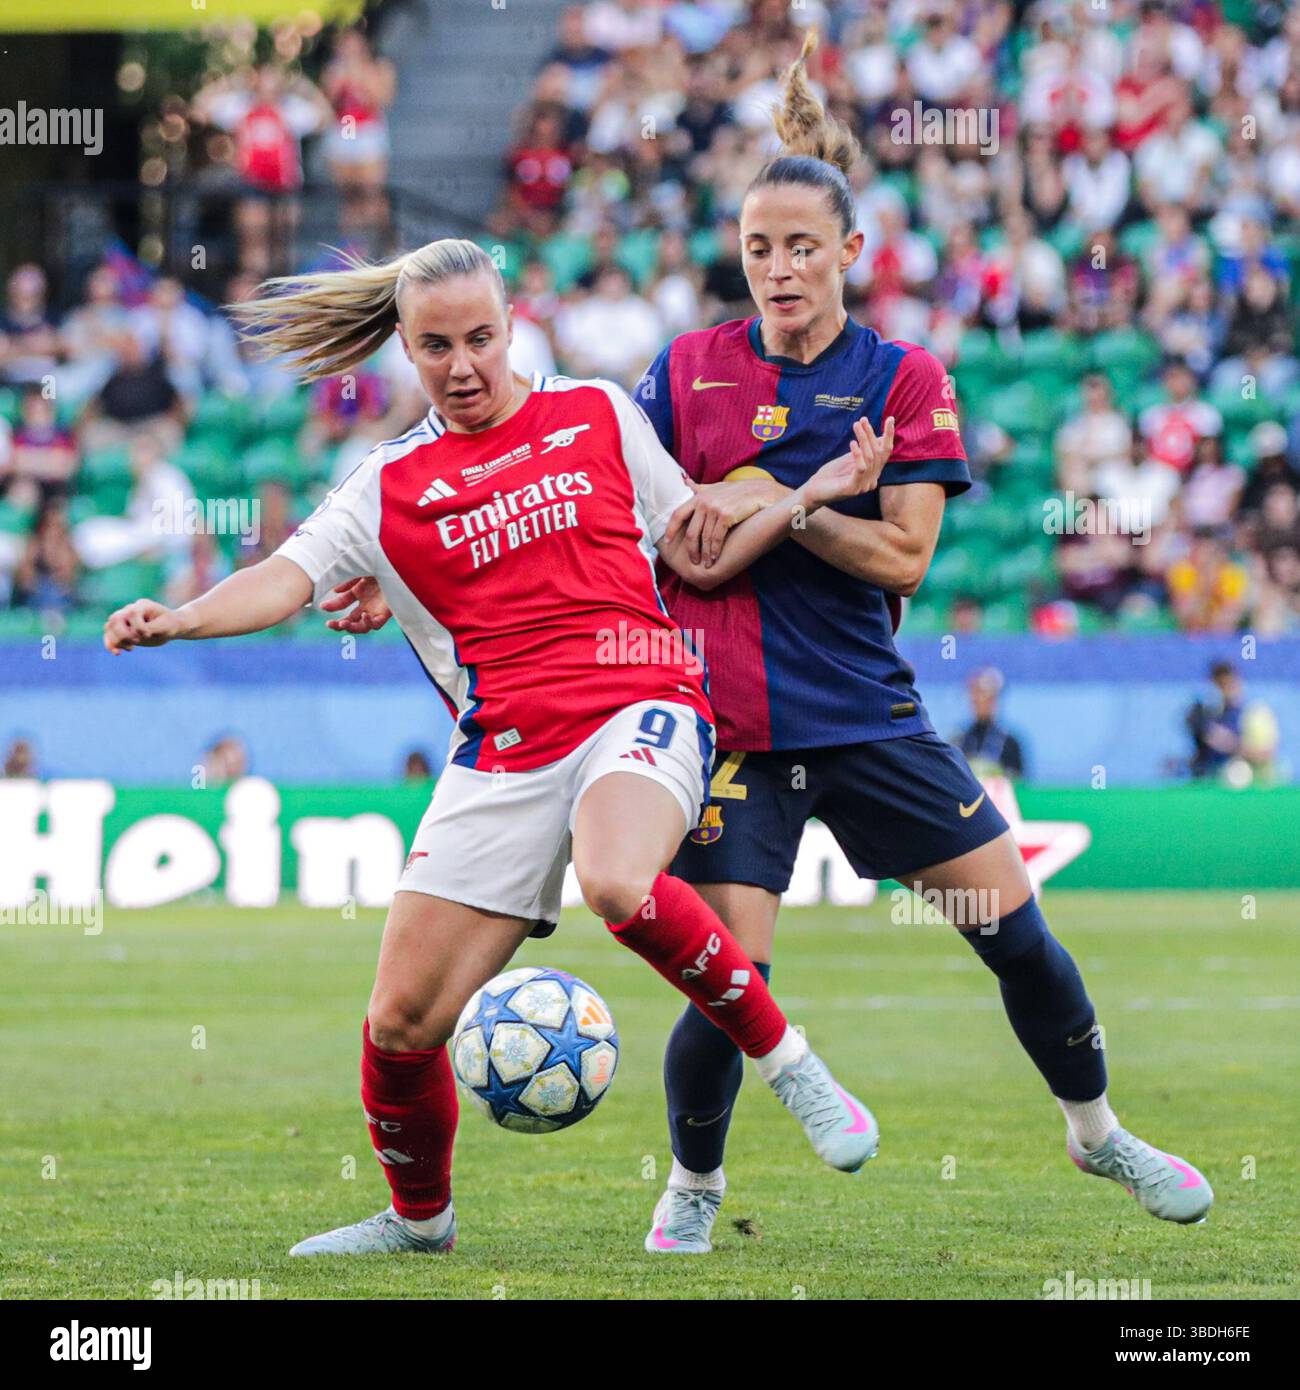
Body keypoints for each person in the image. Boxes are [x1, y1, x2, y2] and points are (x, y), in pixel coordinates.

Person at [334, 35, 1214, 1252]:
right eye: (758, 249)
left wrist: (770, 505)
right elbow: (621, 517)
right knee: (723, 965)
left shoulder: (903, 379)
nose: (779, 269)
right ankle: (693, 1184)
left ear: (852, 253)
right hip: (720, 723)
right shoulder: (683, 371)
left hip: (863, 711)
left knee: (1018, 935)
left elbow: (905, 557)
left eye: (803, 247)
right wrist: (412, 575)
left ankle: (1097, 1130)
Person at [103, 236, 884, 1257]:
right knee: (399, 1023)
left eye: (480, 338)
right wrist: (184, 615)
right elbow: (286, 579)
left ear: (512, 327)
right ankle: (419, 1221)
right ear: (406, 351)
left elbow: (693, 543)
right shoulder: (387, 483)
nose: (463, 364)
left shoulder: (597, 413)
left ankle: (794, 1068)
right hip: (505, 747)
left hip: (639, 703)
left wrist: (803, 498)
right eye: (436, 347)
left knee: (615, 880)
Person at [956, 668, 1026, 780]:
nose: (980, 699)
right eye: (976, 693)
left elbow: (1017, 784)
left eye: (987, 695)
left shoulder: (1010, 744)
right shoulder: (959, 742)